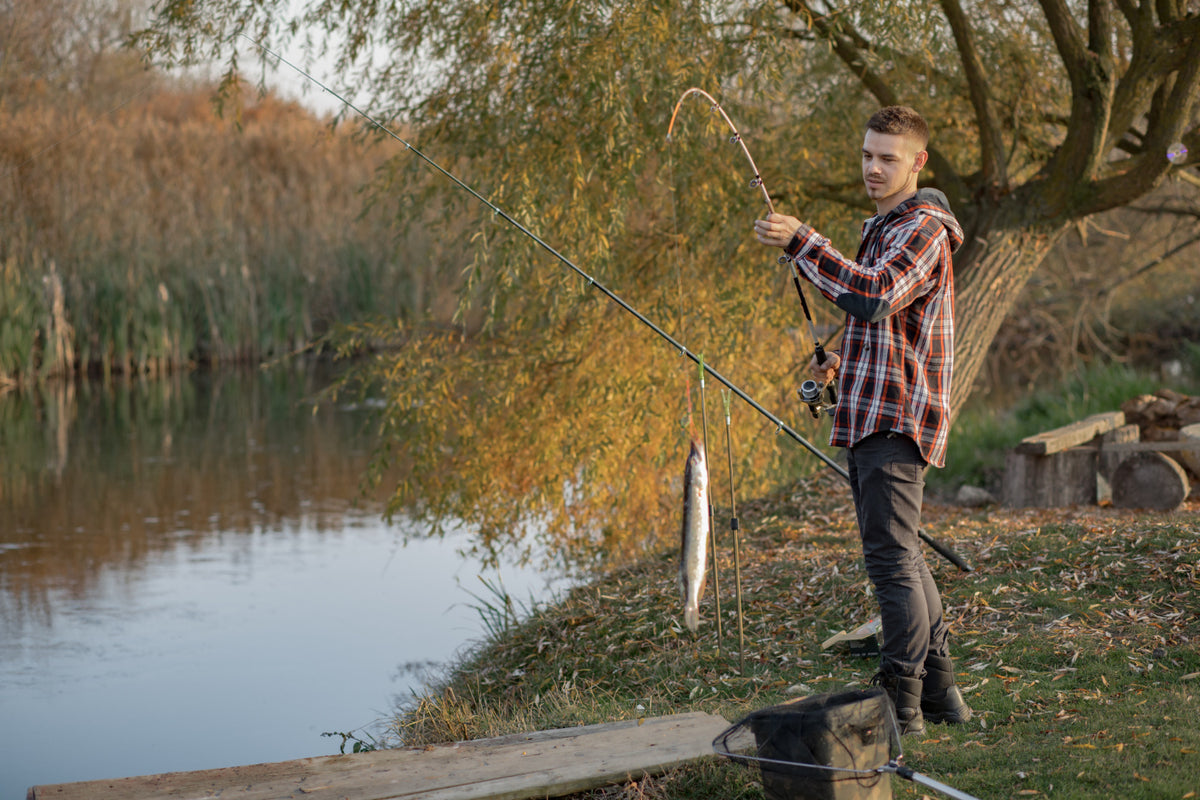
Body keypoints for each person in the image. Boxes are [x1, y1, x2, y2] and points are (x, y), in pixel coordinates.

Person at [753, 105, 972, 735]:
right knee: (903, 555)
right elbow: (885, 319)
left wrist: (803, 241)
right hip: (872, 408)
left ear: (918, 163)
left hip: (897, 418)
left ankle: (900, 705)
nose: (874, 169)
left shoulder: (925, 227)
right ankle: (939, 694)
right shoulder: (885, 224)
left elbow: (874, 294)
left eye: (888, 159)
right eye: (867, 155)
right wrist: (840, 358)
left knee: (891, 561)